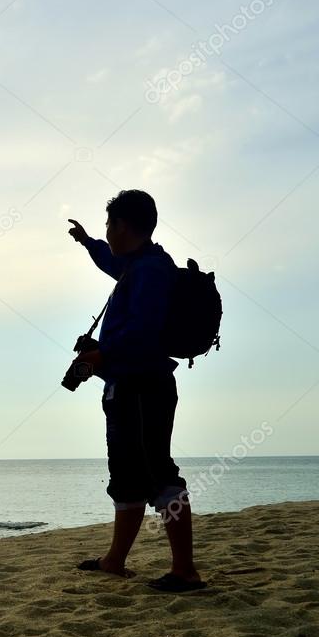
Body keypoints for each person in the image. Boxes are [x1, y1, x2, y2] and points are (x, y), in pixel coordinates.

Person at [66, 189, 205, 593]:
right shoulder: (136, 265)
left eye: (109, 224)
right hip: (125, 386)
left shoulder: (151, 270)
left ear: (122, 225)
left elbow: (142, 333)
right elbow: (110, 261)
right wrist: (88, 241)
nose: (108, 230)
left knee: (160, 473)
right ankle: (114, 561)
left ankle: (185, 572)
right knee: (127, 476)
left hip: (145, 385)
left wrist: (98, 355)